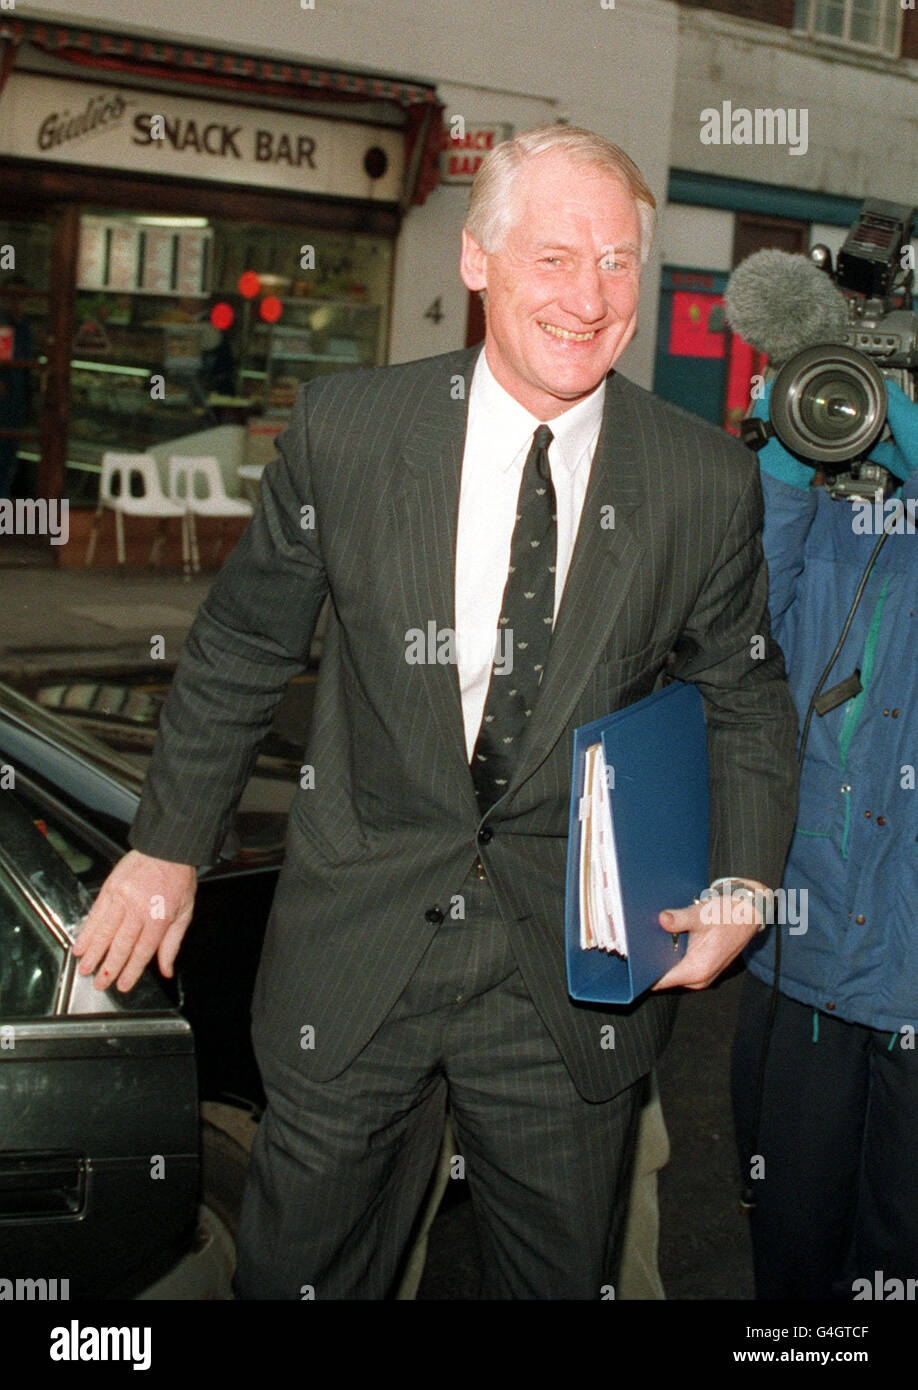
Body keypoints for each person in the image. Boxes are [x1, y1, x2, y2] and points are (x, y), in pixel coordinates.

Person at [72, 125, 798, 1300]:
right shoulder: (347, 433)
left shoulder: (700, 479)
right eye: (554, 258)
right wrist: (167, 845)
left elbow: (747, 692)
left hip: (572, 975)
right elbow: (245, 645)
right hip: (356, 959)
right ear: (477, 261)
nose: (590, 296)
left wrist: (749, 878)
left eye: (617, 262)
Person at [732, 377, 918, 1299]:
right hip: (801, 961)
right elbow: (731, 638)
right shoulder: (834, 512)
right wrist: (782, 468)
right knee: (794, 1262)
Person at [0, 276, 34, 500]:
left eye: (21, 298)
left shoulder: (25, 329)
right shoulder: (4, 327)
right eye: (12, 298)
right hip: (4, 401)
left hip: (16, 403)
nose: (16, 303)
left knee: (8, 459)